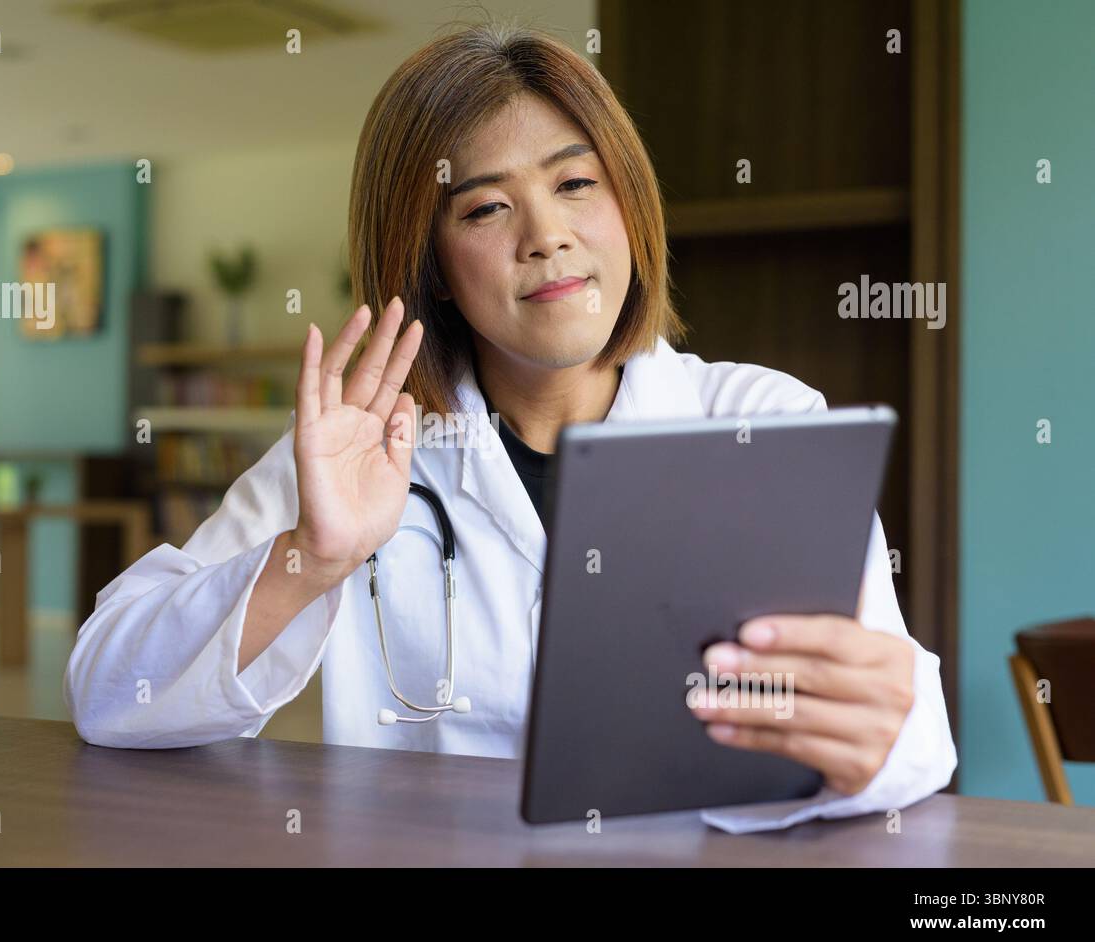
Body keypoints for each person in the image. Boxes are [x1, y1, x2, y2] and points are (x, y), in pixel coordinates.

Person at [65, 22, 956, 832]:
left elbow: (912, 736)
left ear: (631, 211)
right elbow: (110, 693)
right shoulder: (359, 449)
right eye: (486, 207)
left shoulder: (764, 423)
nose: (547, 236)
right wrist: (312, 558)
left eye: (576, 184)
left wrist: (879, 726)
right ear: (434, 267)